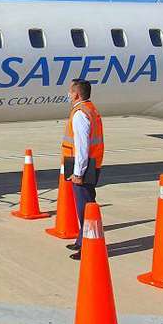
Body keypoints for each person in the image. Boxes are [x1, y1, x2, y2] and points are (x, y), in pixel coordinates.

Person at [61, 78, 104, 260]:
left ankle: (88, 245)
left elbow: (82, 146)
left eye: (70, 91)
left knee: (85, 209)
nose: (68, 94)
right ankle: (81, 239)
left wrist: (78, 173)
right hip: (92, 163)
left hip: (83, 167)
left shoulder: (80, 114)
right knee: (86, 206)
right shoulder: (90, 108)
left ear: (77, 94)